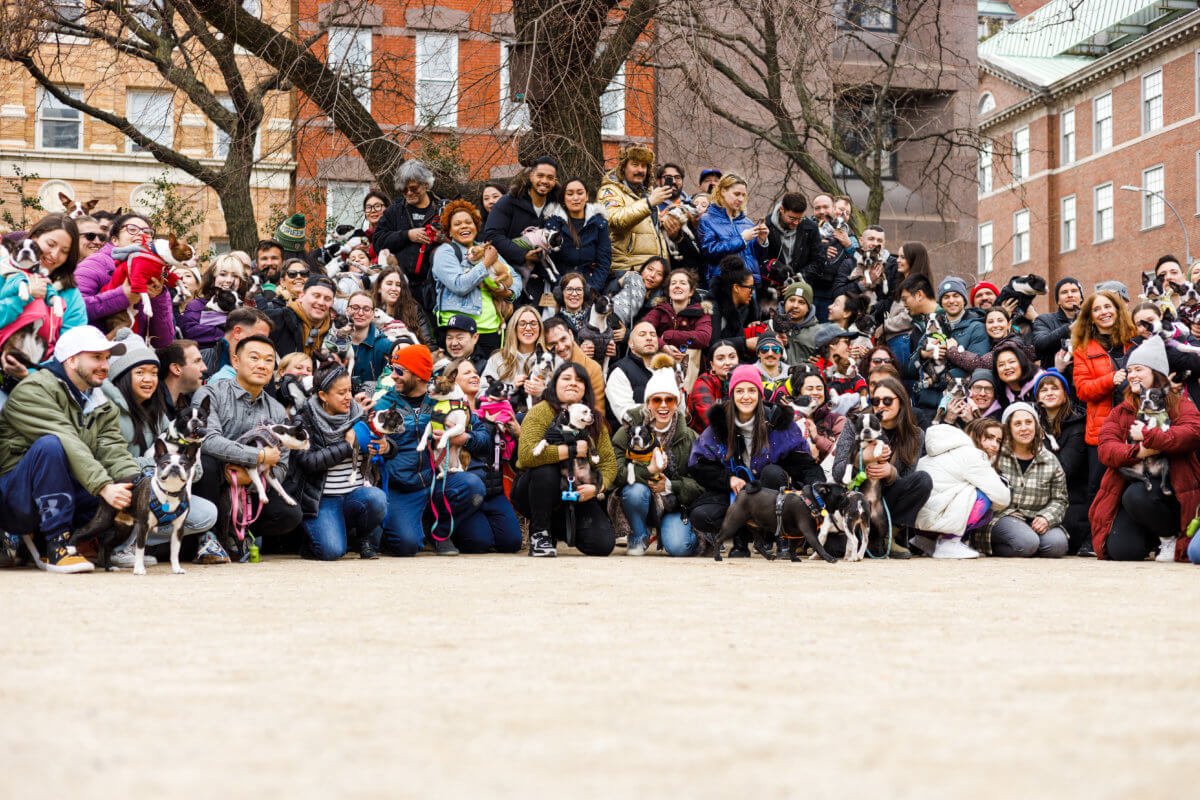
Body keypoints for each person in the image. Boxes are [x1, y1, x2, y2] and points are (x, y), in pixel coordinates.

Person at [0, 326, 139, 572]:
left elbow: (113, 449)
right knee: (51, 445)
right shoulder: (33, 390)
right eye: (96, 357)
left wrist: (135, 485)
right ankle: (57, 547)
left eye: (107, 358)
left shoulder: (101, 403)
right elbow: (66, 439)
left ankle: (76, 544)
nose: (105, 365)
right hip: (13, 499)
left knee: (127, 488)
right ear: (72, 361)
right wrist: (104, 486)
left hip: (60, 490)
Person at [99, 331, 222, 567]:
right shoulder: (107, 410)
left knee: (206, 513)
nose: (149, 379)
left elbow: (192, 471)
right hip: (116, 494)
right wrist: (158, 465)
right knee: (143, 482)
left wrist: (188, 456)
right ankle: (118, 545)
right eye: (140, 372)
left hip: (150, 491)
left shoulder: (157, 414)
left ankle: (135, 543)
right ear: (123, 376)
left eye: (154, 373)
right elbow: (112, 465)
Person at [688, 365, 824, 558]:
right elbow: (699, 465)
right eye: (740, 391)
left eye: (752, 390)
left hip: (769, 495)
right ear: (732, 394)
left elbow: (803, 462)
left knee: (773, 473)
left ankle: (776, 538)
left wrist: (817, 485)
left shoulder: (778, 421)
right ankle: (740, 539)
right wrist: (728, 479)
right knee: (702, 515)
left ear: (760, 394)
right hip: (737, 495)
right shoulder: (719, 425)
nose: (746, 396)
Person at [373, 345, 494, 556]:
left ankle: (439, 528)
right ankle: (410, 525)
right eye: (392, 368)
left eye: (399, 371)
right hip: (402, 486)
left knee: (474, 490)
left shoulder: (446, 397)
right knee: (405, 545)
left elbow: (485, 440)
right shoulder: (384, 402)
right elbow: (367, 436)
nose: (393, 376)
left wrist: (465, 438)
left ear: (420, 375)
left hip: (439, 482)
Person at [191, 335, 304, 559]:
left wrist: (251, 479)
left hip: (249, 490)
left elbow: (280, 465)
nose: (261, 365)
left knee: (290, 514)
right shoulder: (211, 393)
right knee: (206, 463)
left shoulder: (277, 411)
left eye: (268, 360)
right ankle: (208, 536)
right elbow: (207, 439)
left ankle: (238, 531)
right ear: (235, 361)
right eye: (254, 358)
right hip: (212, 482)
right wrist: (259, 456)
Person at [1090, 336, 1200, 562]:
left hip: (1172, 489)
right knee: (1123, 551)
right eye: (1129, 371)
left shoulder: (1179, 405)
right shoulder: (1122, 410)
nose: (1132, 376)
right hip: (1135, 484)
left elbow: (1192, 433)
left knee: (1137, 495)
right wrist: (1139, 452)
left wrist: (1150, 437)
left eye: (1139, 369)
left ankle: (1169, 536)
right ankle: (1155, 537)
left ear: (1156, 374)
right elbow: (1106, 449)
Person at [514, 362, 617, 556]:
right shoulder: (540, 411)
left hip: (574, 492)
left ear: (586, 388)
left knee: (601, 545)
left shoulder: (592, 418)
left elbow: (608, 463)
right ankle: (540, 533)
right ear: (554, 385)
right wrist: (571, 451)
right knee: (545, 470)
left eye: (579, 380)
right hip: (534, 491)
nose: (573, 383)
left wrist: (596, 488)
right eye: (566, 379)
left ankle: (553, 528)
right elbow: (527, 456)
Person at [291, 364, 389, 560]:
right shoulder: (303, 420)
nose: (348, 397)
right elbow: (307, 461)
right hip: (323, 499)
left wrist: (386, 446)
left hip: (356, 493)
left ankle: (360, 537)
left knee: (376, 498)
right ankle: (317, 537)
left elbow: (388, 440)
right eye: (341, 392)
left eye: (350, 391)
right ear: (323, 395)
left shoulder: (358, 414)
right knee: (331, 551)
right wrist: (347, 445)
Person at [832, 377, 933, 558]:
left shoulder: (915, 434)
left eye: (887, 400)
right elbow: (838, 473)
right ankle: (864, 540)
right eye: (875, 401)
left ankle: (890, 536)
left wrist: (891, 472)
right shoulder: (855, 423)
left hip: (885, 499)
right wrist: (861, 460)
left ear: (901, 401)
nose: (881, 405)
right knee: (833, 546)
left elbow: (908, 479)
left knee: (923, 480)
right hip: (855, 495)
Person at [611, 361, 702, 556]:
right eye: (656, 400)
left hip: (674, 504)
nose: (663, 405)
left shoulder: (690, 437)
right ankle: (638, 534)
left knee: (679, 547)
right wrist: (648, 471)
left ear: (677, 403)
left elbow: (701, 484)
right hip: (639, 498)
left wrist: (670, 485)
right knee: (634, 491)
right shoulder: (627, 432)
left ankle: (693, 533)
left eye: (669, 399)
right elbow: (614, 473)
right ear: (647, 402)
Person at [977, 403, 1069, 558]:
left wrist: (1046, 517)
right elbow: (981, 494)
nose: (1024, 428)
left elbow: (1060, 499)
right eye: (1017, 424)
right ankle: (1005, 545)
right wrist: (1008, 512)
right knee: (1027, 543)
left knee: (1057, 545)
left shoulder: (1049, 459)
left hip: (1035, 518)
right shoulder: (996, 456)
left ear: (1036, 425)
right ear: (1008, 429)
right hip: (1001, 518)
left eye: (1028, 422)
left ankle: (1024, 545)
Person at [452, 359, 523, 554]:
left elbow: (513, 454)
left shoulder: (498, 409)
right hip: (468, 491)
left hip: (494, 488)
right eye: (466, 373)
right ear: (452, 379)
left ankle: (485, 527)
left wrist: (517, 432)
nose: (474, 375)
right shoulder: (450, 412)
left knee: (511, 543)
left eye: (475, 372)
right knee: (478, 543)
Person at [432, 199, 520, 355]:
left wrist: (509, 294)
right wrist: (486, 263)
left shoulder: (486, 248)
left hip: (492, 329)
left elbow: (515, 277)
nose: (464, 226)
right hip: (458, 332)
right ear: (449, 231)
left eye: (469, 222)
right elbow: (459, 285)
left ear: (476, 226)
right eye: (457, 224)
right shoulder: (445, 252)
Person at [73, 212, 173, 347]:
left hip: (137, 358)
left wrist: (158, 297)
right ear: (115, 240)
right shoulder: (95, 263)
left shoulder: (155, 272)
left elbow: (163, 341)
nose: (140, 234)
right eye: (132, 229)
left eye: (147, 232)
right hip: (99, 353)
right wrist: (123, 297)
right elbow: (75, 309)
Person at [1072, 289, 1137, 496]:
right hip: (1102, 432)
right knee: (1100, 490)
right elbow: (1082, 390)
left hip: (1136, 427)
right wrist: (1110, 379)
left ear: (1118, 310)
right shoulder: (1083, 350)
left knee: (1134, 485)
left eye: (1108, 306)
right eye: (1096, 309)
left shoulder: (1134, 342)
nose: (1103, 312)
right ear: (1090, 317)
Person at [912, 423, 1011, 559]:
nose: (994, 445)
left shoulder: (939, 451)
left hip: (916, 522)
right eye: (989, 437)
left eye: (998, 441)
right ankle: (950, 542)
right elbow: (1002, 497)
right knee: (984, 498)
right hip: (935, 518)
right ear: (973, 436)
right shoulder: (971, 455)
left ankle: (927, 541)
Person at [0, 213, 88, 353]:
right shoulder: (4, 271)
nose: (54, 255)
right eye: (50, 244)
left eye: (65, 251)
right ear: (34, 237)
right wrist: (23, 296)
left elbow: (71, 348)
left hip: (42, 369)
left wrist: (34, 372)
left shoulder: (70, 294)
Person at [1035, 369, 1090, 555]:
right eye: (1043, 390)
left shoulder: (1078, 426)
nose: (1049, 393)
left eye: (1054, 388)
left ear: (1065, 394)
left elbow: (1065, 470)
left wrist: (1042, 441)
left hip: (1071, 502)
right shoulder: (1032, 425)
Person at [370, 160, 446, 295]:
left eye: (414, 188)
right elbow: (377, 242)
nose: (409, 193)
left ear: (426, 185)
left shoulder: (444, 209)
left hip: (438, 287)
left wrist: (443, 238)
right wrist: (407, 235)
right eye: (404, 190)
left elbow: (465, 240)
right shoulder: (394, 212)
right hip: (401, 286)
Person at [597, 145, 672, 275]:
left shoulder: (647, 194)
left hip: (654, 272)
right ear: (623, 167)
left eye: (644, 166)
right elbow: (615, 220)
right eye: (635, 164)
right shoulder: (609, 191)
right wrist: (649, 203)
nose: (640, 170)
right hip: (627, 272)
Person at [697, 173, 768, 286]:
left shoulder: (747, 222)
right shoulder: (707, 220)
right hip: (723, 285)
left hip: (749, 285)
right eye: (736, 194)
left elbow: (758, 258)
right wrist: (741, 239)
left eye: (743, 195)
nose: (740, 199)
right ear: (723, 191)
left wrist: (761, 241)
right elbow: (710, 252)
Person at [544, 177, 612, 294]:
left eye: (580, 193)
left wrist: (591, 289)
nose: (575, 198)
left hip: (589, 284)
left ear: (586, 196)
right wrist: (561, 287)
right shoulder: (553, 224)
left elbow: (604, 262)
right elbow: (546, 261)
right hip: (558, 286)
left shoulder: (599, 224)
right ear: (563, 198)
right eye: (570, 194)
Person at [804, 194, 856, 320]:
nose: (822, 211)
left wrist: (848, 245)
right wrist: (820, 251)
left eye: (825, 207)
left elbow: (857, 260)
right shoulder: (805, 228)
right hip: (805, 292)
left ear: (833, 209)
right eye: (817, 208)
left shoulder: (849, 235)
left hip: (830, 295)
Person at [642, 268, 712, 358]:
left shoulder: (701, 312)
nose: (677, 286)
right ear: (669, 291)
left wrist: (668, 336)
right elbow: (643, 330)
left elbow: (704, 338)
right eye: (673, 283)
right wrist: (663, 346)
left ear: (691, 291)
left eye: (683, 283)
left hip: (691, 366)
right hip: (660, 362)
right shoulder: (659, 311)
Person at [482, 306, 547, 403]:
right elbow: (481, 392)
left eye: (533, 323)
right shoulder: (498, 359)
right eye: (522, 324)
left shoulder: (550, 359)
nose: (528, 328)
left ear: (540, 328)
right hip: (504, 414)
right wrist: (511, 387)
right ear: (514, 328)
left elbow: (563, 393)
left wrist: (544, 391)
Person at [543, 315, 606, 415]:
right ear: (546, 346)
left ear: (571, 335)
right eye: (553, 344)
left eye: (563, 339)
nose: (561, 347)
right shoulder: (541, 367)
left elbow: (598, 414)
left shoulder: (592, 369)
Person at [179, 253, 246, 347]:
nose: (229, 280)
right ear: (212, 279)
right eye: (223, 274)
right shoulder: (197, 306)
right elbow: (190, 332)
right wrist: (228, 333)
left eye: (235, 276)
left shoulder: (245, 309)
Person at [607, 321, 663, 426]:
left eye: (653, 335)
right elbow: (626, 415)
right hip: (633, 438)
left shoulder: (666, 371)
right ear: (631, 344)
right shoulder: (620, 371)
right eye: (642, 334)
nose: (649, 338)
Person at [265, 275, 334, 359]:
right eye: (316, 296)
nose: (321, 302)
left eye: (327, 299)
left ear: (332, 303)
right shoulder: (273, 320)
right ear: (301, 297)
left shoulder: (335, 334)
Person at [200, 306, 273, 382]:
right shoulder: (200, 360)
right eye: (259, 338)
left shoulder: (263, 369)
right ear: (237, 332)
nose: (263, 344)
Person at [764, 193, 820, 288]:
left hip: (801, 286)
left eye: (800, 218)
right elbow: (762, 259)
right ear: (782, 210)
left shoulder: (811, 228)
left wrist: (798, 279)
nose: (796, 222)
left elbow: (818, 260)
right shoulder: (766, 226)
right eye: (792, 218)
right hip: (773, 287)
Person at [791, 368, 846, 464]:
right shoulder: (789, 419)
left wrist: (816, 436)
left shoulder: (837, 420)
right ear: (799, 393)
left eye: (819, 388)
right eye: (810, 388)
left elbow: (844, 454)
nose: (815, 392)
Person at [708, 263, 759, 359]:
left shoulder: (747, 307)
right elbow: (712, 344)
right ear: (736, 288)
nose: (753, 292)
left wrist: (754, 328)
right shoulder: (713, 307)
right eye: (750, 287)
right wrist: (745, 343)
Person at [372, 265, 433, 344]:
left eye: (398, 285)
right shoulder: (370, 309)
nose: (394, 288)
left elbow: (428, 341)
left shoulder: (413, 309)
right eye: (389, 284)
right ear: (379, 288)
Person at [1031, 277, 1083, 369]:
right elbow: (1040, 345)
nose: (1070, 295)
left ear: (1081, 297)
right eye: (1064, 292)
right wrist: (1069, 329)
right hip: (1056, 379)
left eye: (1074, 291)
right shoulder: (1044, 320)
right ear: (1058, 301)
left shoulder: (1092, 319)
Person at [687, 340, 738, 433]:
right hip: (705, 440)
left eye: (732, 357)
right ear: (712, 365)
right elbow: (711, 422)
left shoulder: (743, 382)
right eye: (720, 358)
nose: (727, 362)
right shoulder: (703, 383)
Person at [767, 280, 820, 366]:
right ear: (784, 303)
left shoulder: (819, 333)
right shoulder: (769, 325)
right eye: (791, 300)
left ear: (808, 308)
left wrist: (821, 363)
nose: (795, 305)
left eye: (801, 302)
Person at [811, 324, 867, 403]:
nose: (850, 347)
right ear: (832, 345)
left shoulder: (851, 367)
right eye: (847, 342)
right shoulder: (816, 371)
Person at [156, 338, 206, 421]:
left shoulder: (194, 401)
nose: (204, 368)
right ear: (176, 369)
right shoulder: (152, 407)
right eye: (197, 361)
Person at [991, 341, 1042, 410]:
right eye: (1001, 365)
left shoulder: (1041, 383)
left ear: (1022, 362)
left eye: (1011, 362)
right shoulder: (1001, 396)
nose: (1007, 367)